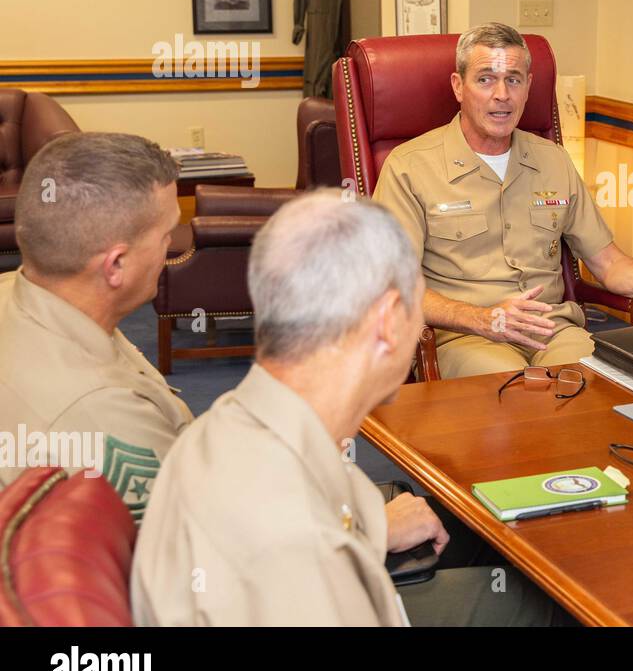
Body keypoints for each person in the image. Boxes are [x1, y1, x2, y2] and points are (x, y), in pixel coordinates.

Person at [130, 191, 566, 626]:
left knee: (485, 533)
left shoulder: (238, 422)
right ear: (388, 323)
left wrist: (370, 527)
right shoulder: (302, 546)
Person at [374, 21, 633, 378]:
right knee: (514, 396)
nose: (502, 94)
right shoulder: (410, 167)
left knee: (604, 386)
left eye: (514, 79)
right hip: (464, 337)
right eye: (486, 79)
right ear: (458, 86)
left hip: (553, 331)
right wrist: (482, 319)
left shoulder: (553, 160)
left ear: (528, 87)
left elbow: (608, 261)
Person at [0, 133, 192, 520]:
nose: (170, 244)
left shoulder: (20, 293)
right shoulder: (104, 417)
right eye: (165, 234)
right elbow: (196, 548)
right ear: (115, 265)